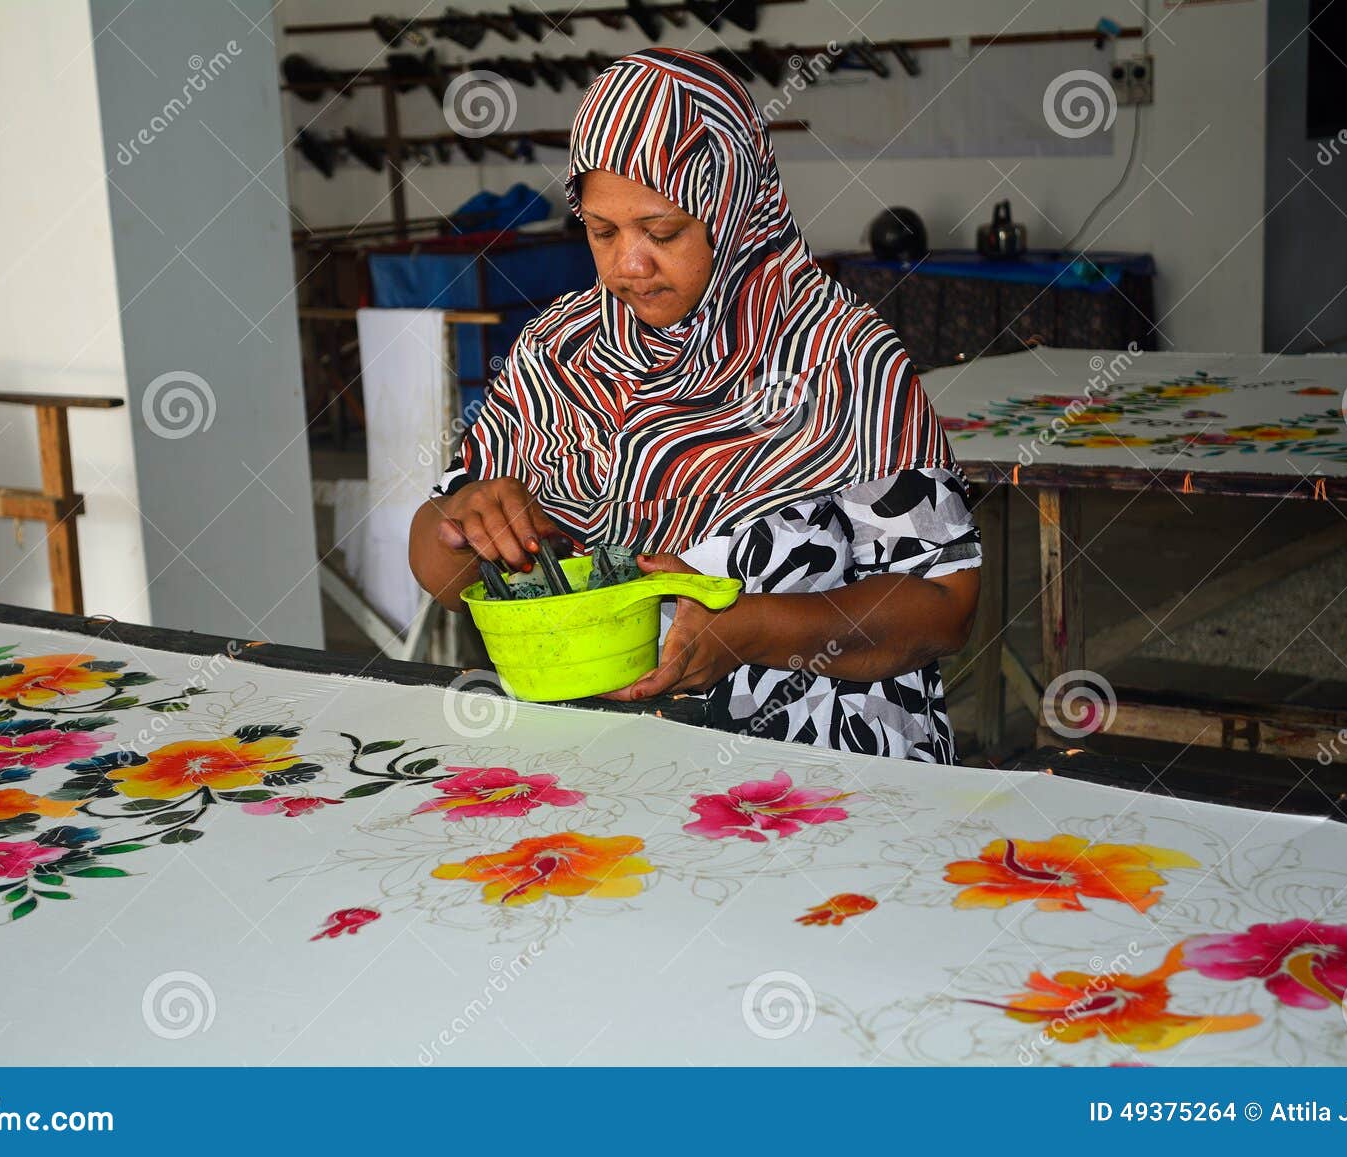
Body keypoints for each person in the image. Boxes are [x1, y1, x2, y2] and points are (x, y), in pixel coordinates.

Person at [409, 48, 980, 761]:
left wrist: (753, 629)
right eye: (602, 231)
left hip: (817, 770)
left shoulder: (841, 355)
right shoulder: (556, 351)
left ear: (732, 207)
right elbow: (442, 565)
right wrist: (464, 520)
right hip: (595, 764)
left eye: (663, 232)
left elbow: (944, 605)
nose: (629, 265)